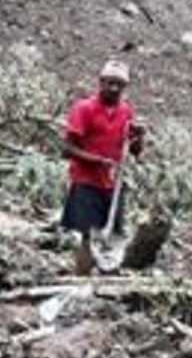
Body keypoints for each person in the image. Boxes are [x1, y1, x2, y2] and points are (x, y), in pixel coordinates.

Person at [61, 60, 145, 276]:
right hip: (86, 181)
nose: (114, 89)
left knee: (113, 235)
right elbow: (66, 148)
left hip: (113, 184)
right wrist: (97, 161)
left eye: (119, 85)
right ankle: (80, 278)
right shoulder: (84, 109)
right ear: (101, 82)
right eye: (110, 83)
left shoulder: (126, 112)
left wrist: (140, 136)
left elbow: (135, 151)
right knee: (87, 236)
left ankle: (105, 279)